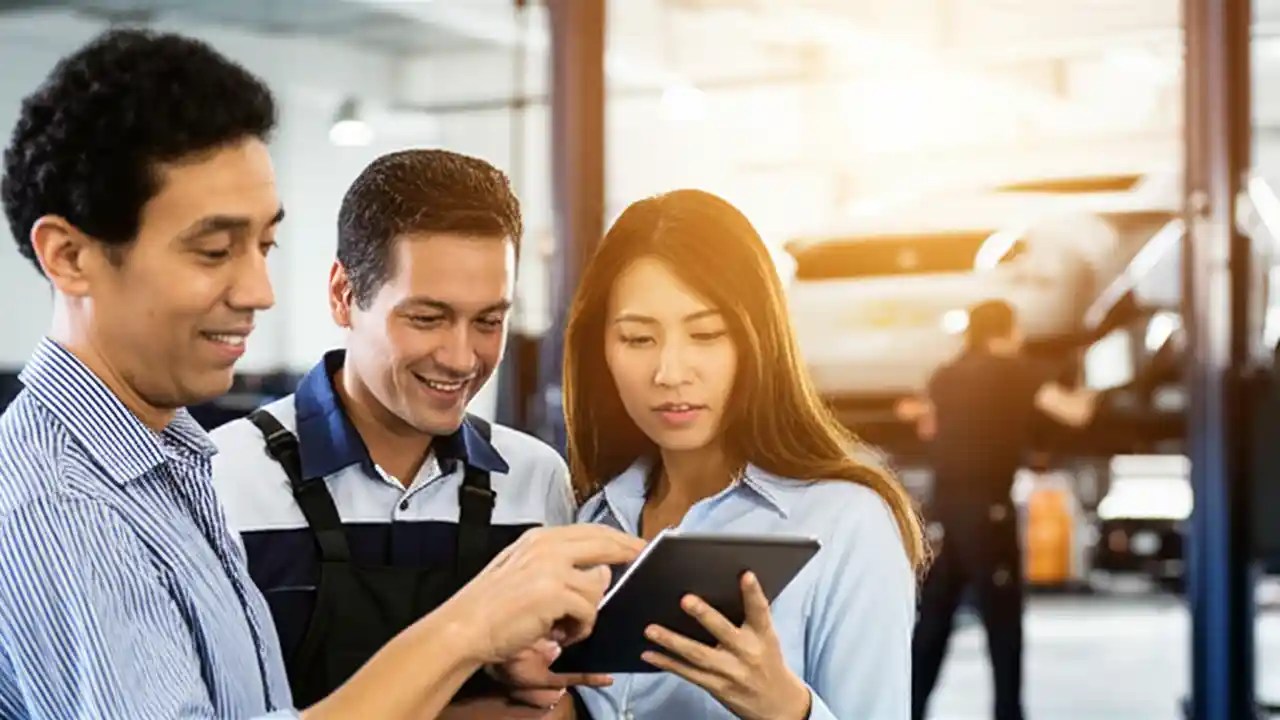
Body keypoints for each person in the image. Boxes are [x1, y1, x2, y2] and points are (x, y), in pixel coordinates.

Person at [0, 27, 641, 720]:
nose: (260, 291)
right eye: (214, 251)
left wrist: (487, 675)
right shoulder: (63, 507)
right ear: (69, 257)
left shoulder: (170, 468)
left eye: (265, 245)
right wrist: (467, 627)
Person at [210, 148, 600, 714]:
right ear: (344, 296)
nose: (462, 357)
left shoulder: (535, 480)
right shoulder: (223, 481)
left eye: (489, 321)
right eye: (427, 318)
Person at [558, 189, 927, 720]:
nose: (670, 372)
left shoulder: (846, 522)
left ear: (758, 341)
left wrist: (786, 709)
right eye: (638, 339)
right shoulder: (592, 520)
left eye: (706, 334)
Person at [900, 299, 1098, 720]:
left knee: (934, 617)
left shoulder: (945, 373)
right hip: (989, 510)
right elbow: (1074, 412)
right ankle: (1008, 713)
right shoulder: (1014, 370)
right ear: (1006, 331)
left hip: (945, 510)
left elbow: (927, 427)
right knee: (1002, 621)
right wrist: (1093, 383)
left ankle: (907, 709)